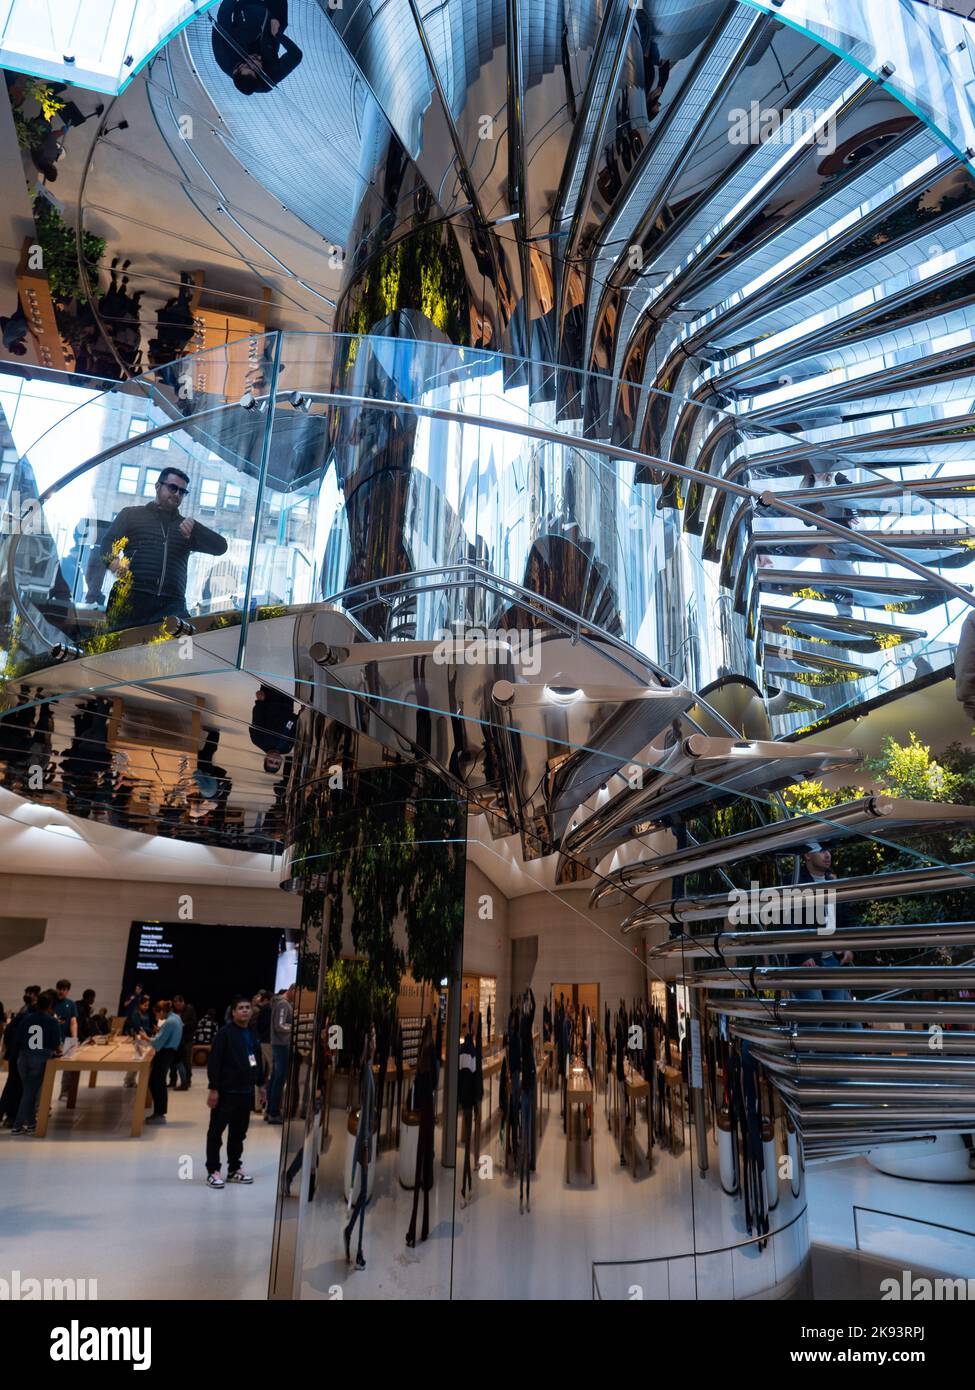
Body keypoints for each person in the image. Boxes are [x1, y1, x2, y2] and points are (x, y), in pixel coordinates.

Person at [84, 467, 228, 627]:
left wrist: (196, 529)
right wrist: (113, 561)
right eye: (173, 488)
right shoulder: (131, 515)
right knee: (120, 648)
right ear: (158, 486)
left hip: (171, 604)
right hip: (132, 598)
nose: (177, 494)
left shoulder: (186, 526)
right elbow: (108, 542)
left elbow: (221, 547)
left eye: (182, 492)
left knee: (175, 649)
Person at [205, 996, 266, 1187]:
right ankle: (213, 1171)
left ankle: (234, 1169)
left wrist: (261, 1084)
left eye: (248, 1007)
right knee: (216, 1132)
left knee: (238, 1134)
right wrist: (214, 1088)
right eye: (241, 1008)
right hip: (226, 1092)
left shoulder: (252, 1033)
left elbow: (255, 1059)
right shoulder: (225, 1034)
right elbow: (214, 1062)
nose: (245, 1011)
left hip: (245, 1093)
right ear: (233, 1012)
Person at [211, 0, 303, 95]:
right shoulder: (268, 80)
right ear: (260, 76)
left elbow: (223, 18)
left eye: (247, 65)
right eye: (255, 69)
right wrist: (278, 35)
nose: (253, 62)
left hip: (249, 6)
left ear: (237, 69)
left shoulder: (224, 57)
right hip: (275, 16)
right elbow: (296, 55)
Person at [344, 1025, 375, 1270]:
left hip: (365, 1140)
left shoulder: (369, 1071)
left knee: (363, 1194)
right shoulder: (366, 1073)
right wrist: (364, 1144)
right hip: (363, 1142)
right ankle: (360, 1248)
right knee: (363, 1193)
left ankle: (351, 1232)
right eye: (372, 1038)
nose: (376, 1042)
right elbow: (364, 1112)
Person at [12, 990, 61, 1134]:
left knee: (28, 1091)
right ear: (50, 1005)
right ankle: (17, 1125)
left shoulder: (27, 1018)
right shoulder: (52, 1021)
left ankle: (32, 1123)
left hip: (23, 1057)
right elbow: (55, 1043)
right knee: (29, 1092)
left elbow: (19, 1037)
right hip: (39, 1058)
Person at [405, 1018, 435, 1248]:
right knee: (425, 1162)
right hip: (428, 1109)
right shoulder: (430, 1049)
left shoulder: (420, 1053)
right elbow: (433, 1080)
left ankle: (415, 1227)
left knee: (419, 1162)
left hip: (422, 1108)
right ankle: (420, 1228)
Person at [144, 1000, 183, 1124]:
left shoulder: (170, 1022)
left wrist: (146, 1038)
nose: (157, 1017)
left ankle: (159, 1114)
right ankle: (159, 1112)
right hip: (170, 1052)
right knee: (158, 1082)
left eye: (157, 1014)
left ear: (162, 1011)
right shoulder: (176, 1017)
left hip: (165, 1054)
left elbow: (157, 1043)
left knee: (156, 1083)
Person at [249, 685, 297, 773]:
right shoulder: (287, 749)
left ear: (265, 759)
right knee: (291, 681)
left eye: (271, 761)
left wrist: (260, 701)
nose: (275, 759)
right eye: (277, 763)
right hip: (288, 705)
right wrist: (299, 717)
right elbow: (293, 730)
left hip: (271, 700)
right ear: (281, 762)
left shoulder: (258, 740)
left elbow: (257, 717)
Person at [265, 984, 294, 1123]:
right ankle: (273, 1113)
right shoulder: (283, 1004)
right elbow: (280, 1025)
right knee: (278, 1079)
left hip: (279, 1044)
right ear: (292, 990)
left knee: (275, 1078)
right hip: (281, 1045)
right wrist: (295, 1026)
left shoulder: (281, 1003)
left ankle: (270, 1110)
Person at [518, 988, 536, 1212]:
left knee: (527, 1130)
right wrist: (528, 995)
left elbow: (531, 1013)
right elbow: (529, 1013)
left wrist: (529, 995)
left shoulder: (525, 1025)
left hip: (528, 1083)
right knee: (525, 1132)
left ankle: (526, 1191)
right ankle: (524, 1191)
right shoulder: (522, 1027)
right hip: (525, 1084)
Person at [458, 1019, 476, 1206]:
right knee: (468, 1147)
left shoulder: (461, 1051)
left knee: (467, 1146)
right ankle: (465, 1187)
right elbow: (474, 1078)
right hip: (469, 1101)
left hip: (463, 1099)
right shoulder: (472, 1052)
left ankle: (468, 1185)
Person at [52, 979, 78, 1101]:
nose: (61, 991)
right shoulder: (51, 1002)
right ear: (56, 989)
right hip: (53, 1040)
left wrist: (74, 1038)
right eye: (59, 989)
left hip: (67, 1039)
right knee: (49, 1068)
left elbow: (73, 1022)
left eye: (64, 989)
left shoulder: (71, 1004)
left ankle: (64, 1092)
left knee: (68, 1068)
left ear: (68, 991)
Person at [168, 995, 197, 1089]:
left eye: (179, 1005)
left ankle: (187, 1081)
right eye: (175, 1005)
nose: (177, 1007)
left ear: (183, 1002)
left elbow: (193, 1024)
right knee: (173, 1061)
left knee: (186, 1061)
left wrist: (184, 1025)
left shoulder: (190, 1010)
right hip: (175, 1039)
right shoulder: (173, 1010)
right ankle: (172, 1081)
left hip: (186, 1039)